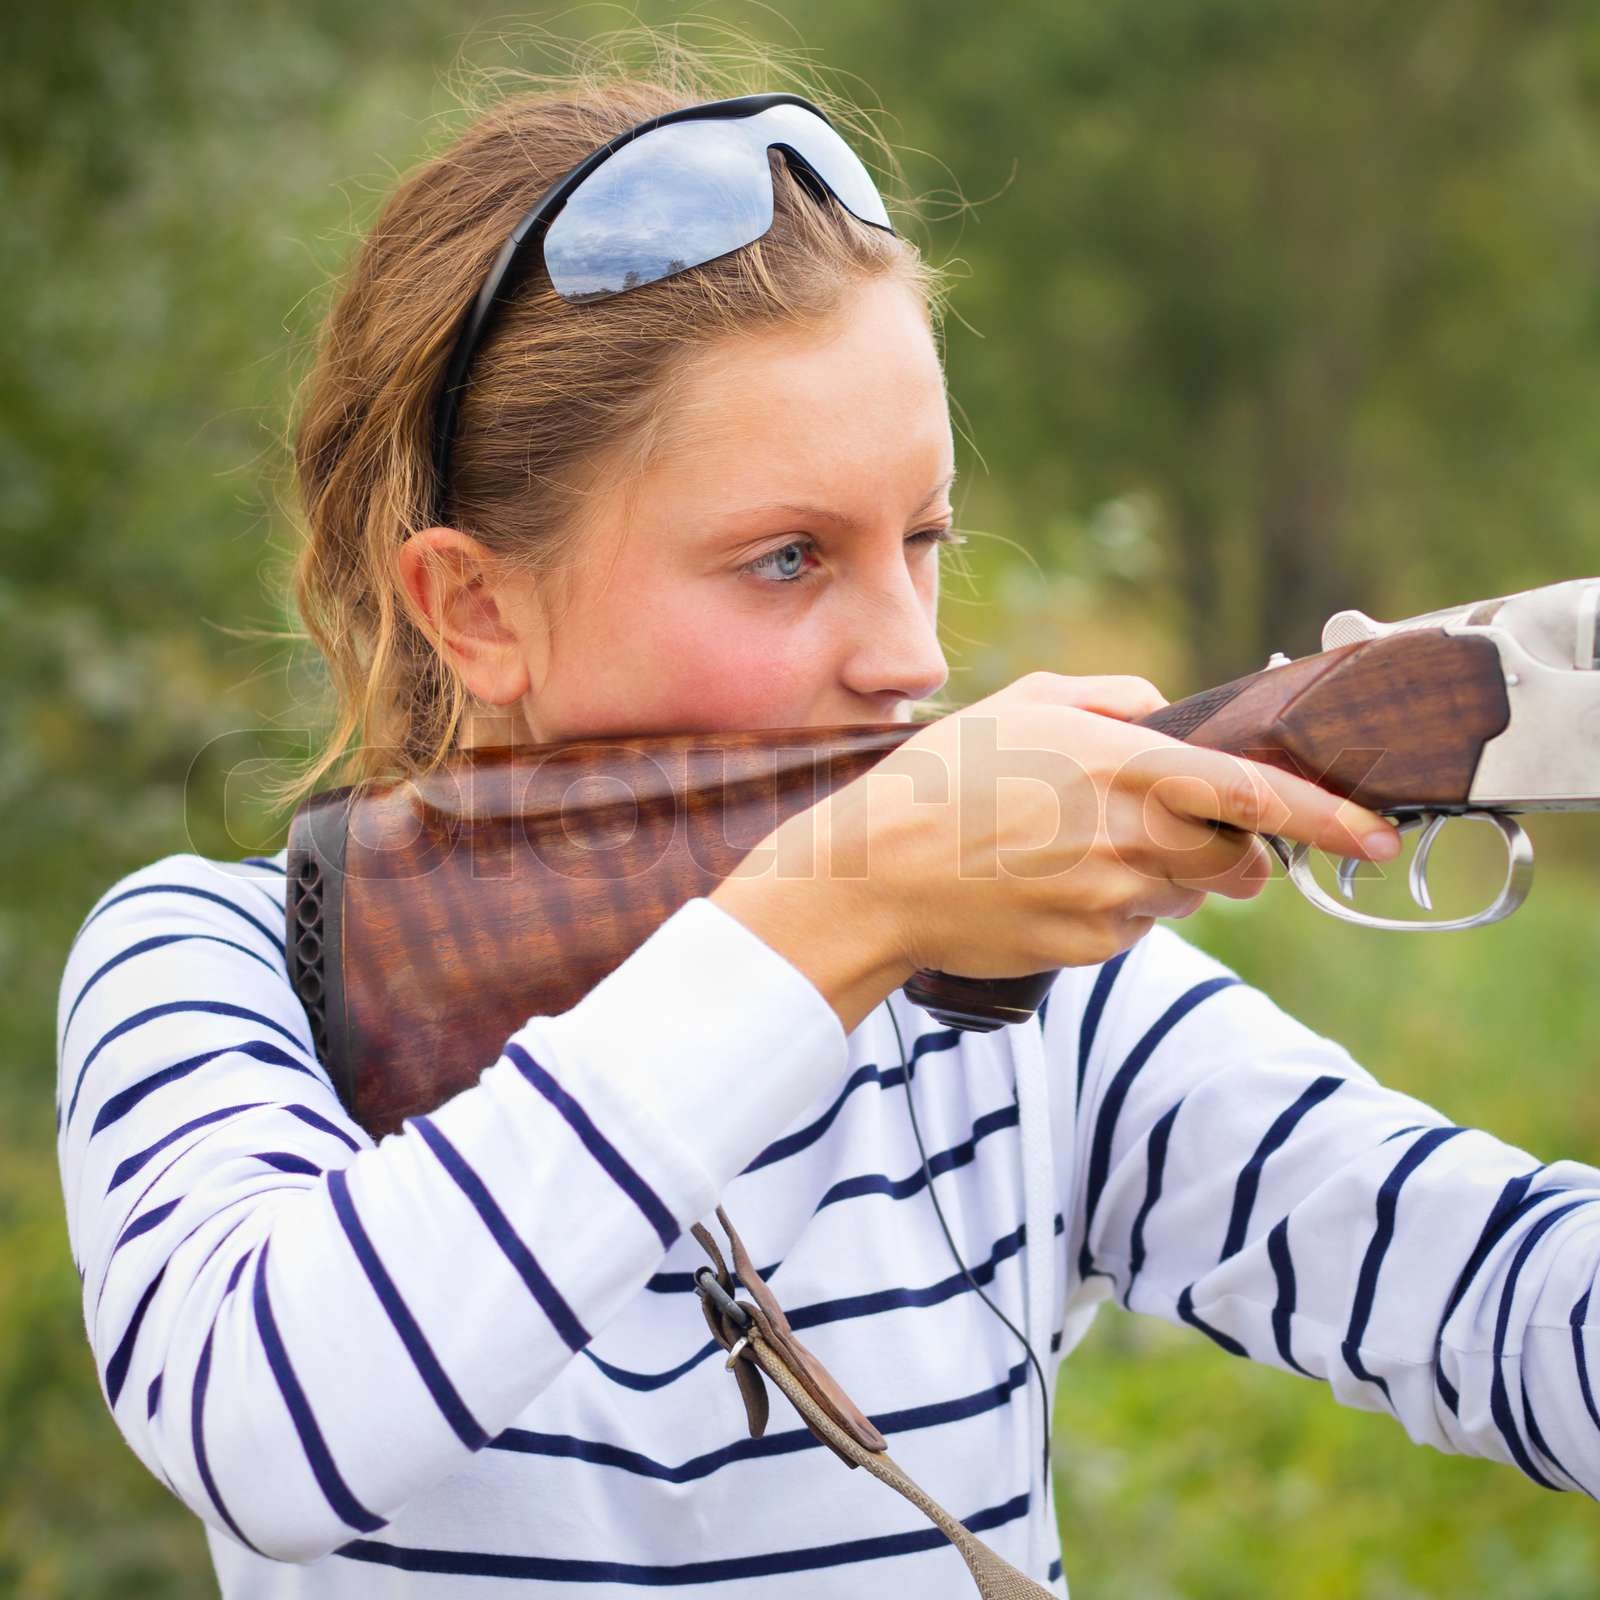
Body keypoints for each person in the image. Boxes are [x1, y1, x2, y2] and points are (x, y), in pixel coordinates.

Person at [56, 49, 1600, 1600]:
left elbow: (1509, 1305)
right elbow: (268, 1425)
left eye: (922, 536)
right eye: (790, 557)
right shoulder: (225, 957)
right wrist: (840, 911)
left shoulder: (1035, 995)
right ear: (476, 609)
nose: (917, 658)